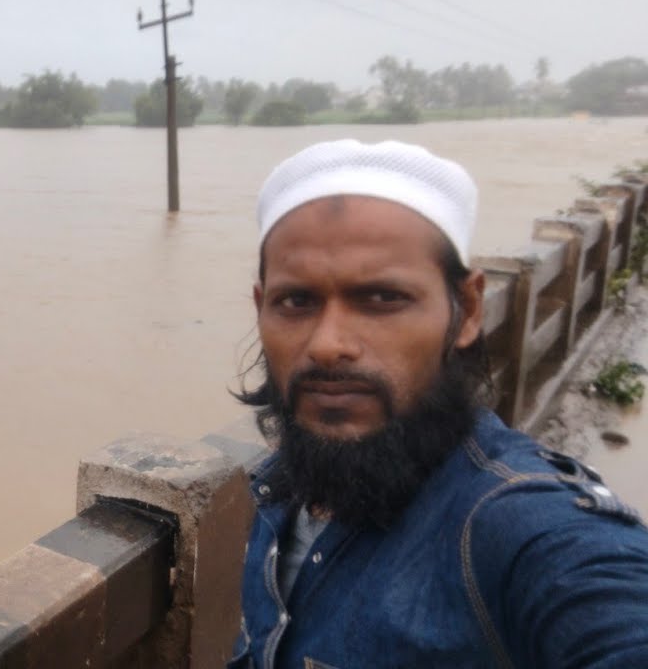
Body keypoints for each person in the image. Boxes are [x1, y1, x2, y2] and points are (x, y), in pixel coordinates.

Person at [228, 139, 648, 668]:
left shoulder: (517, 526)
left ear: (467, 309)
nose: (328, 343)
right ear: (260, 307)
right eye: (296, 302)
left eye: (382, 299)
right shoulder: (279, 488)